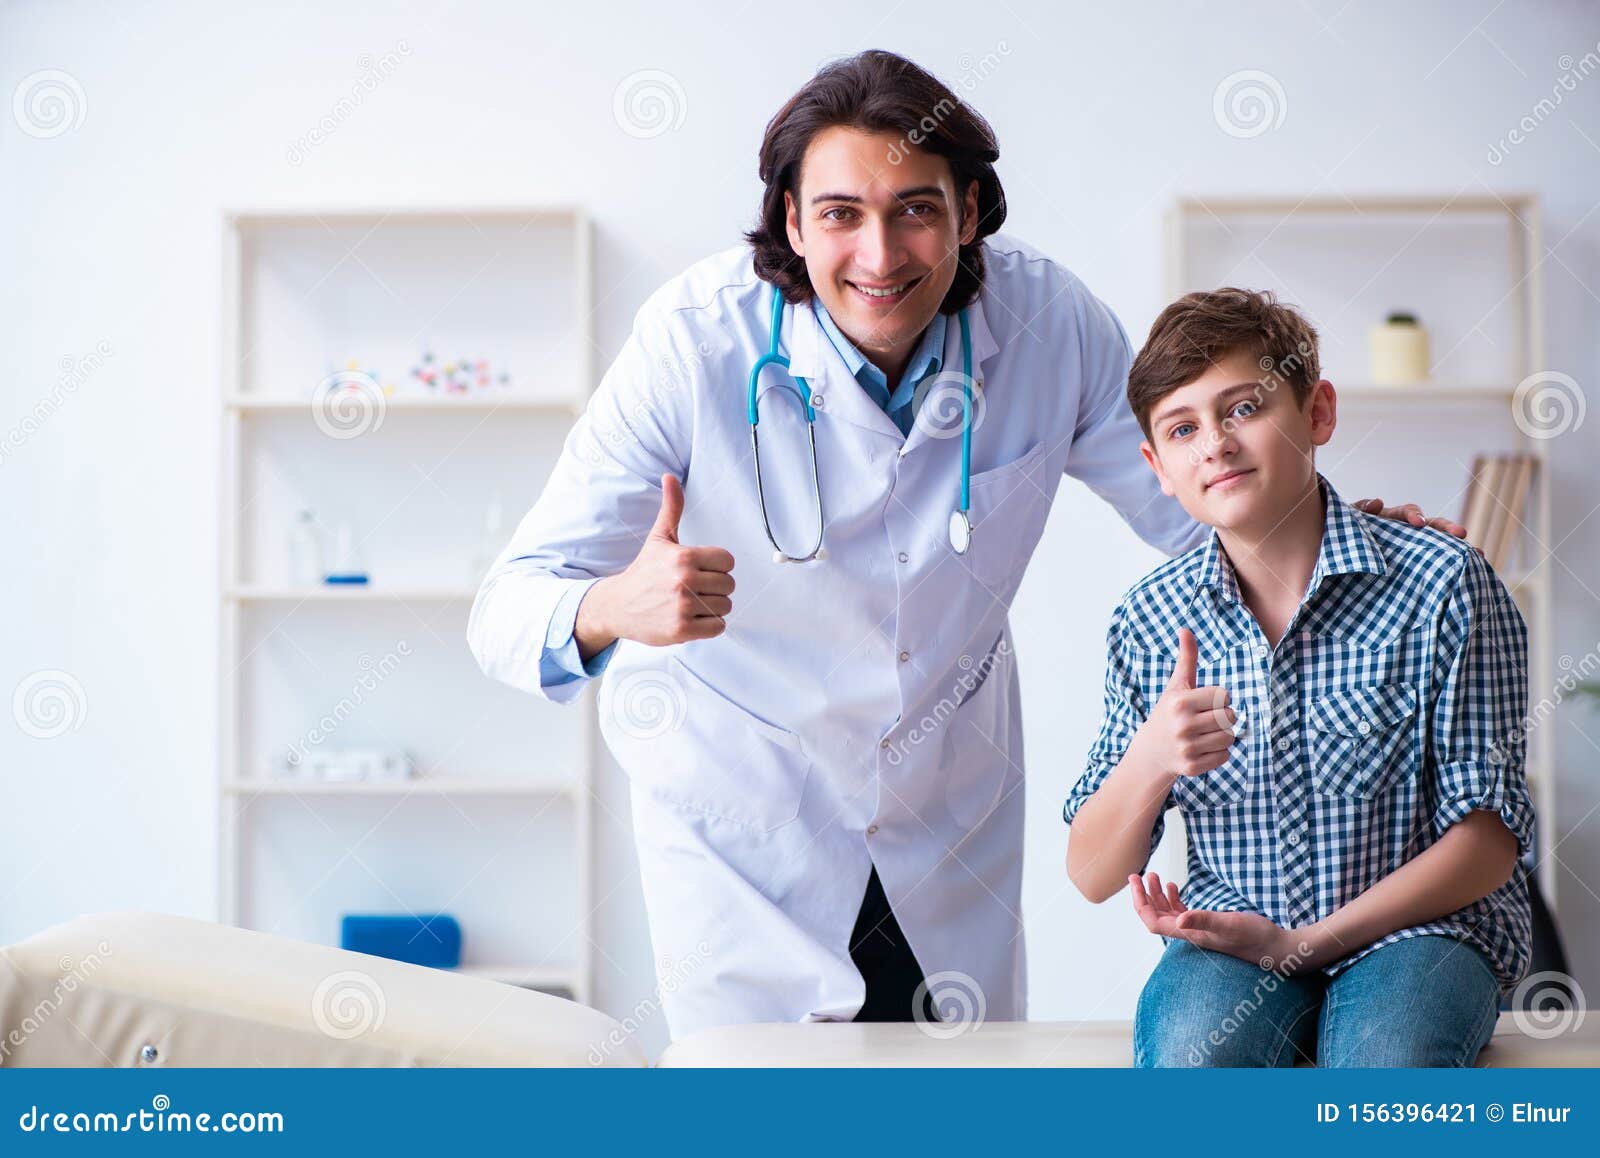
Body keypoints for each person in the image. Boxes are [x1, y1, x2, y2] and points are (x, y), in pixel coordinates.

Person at [468, 50, 1461, 1042]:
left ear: (970, 210)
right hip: (746, 822)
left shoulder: (1045, 324)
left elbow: (1196, 509)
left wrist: (1354, 541)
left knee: (954, 1098)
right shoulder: (691, 344)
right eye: (840, 213)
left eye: (915, 208)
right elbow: (505, 610)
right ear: (790, 220)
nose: (880, 253)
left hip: (944, 806)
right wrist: (611, 607)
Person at [1062, 287, 1532, 1067]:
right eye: (1183, 429)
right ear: (1158, 468)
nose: (1213, 443)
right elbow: (1090, 872)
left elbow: (1487, 842)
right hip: (1236, 935)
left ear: (1317, 414)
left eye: (1242, 408)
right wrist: (1150, 758)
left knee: (1389, 1059)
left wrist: (1308, 944)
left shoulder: (1443, 581)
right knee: (1189, 1057)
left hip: (1420, 933)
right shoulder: (1148, 622)